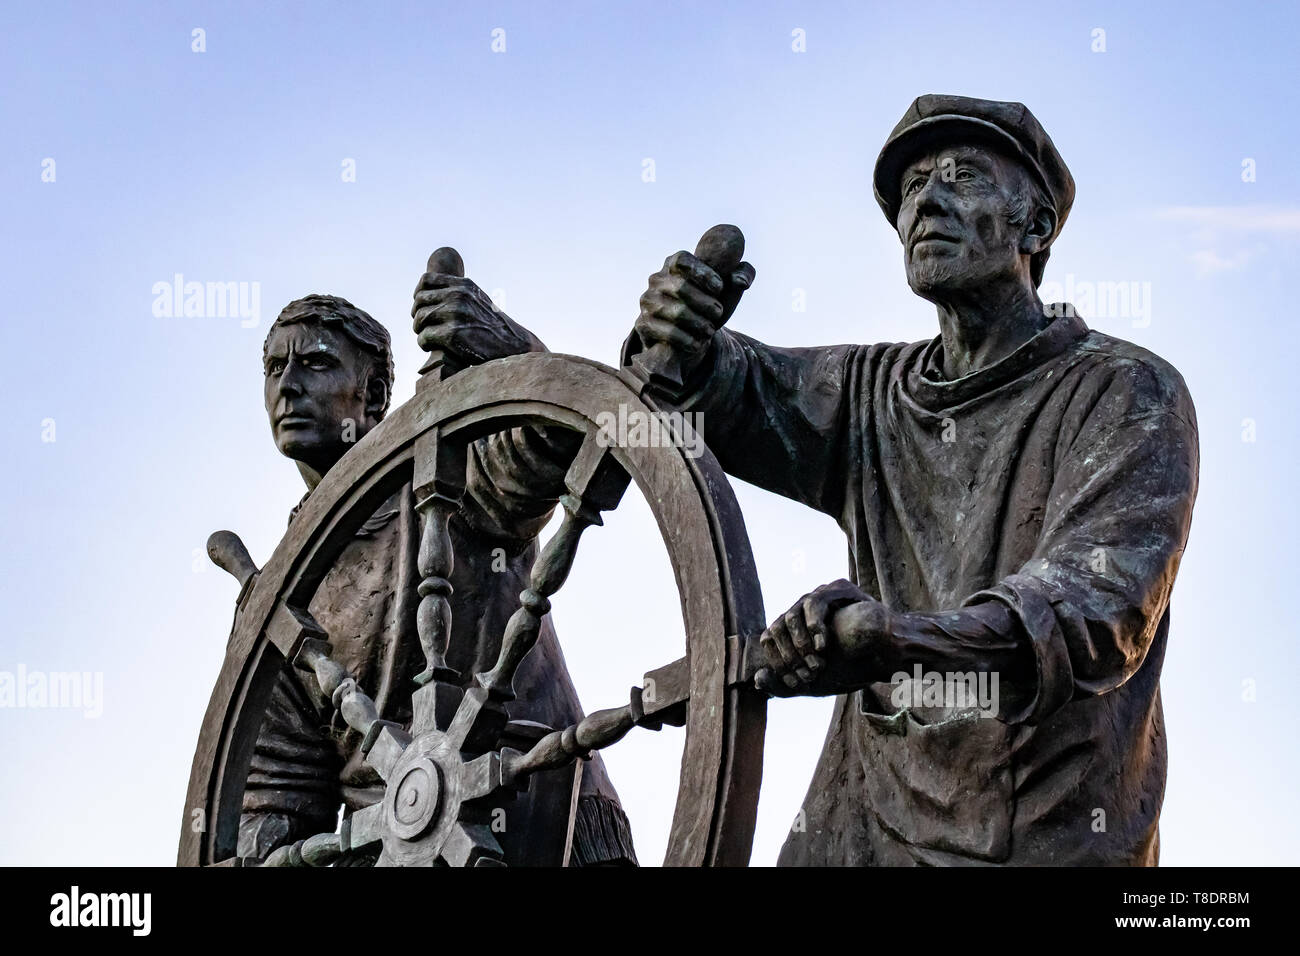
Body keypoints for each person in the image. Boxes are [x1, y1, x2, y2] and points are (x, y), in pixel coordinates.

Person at [623, 94, 1199, 865]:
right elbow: (725, 393)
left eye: (961, 177)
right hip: (858, 827)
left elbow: (1093, 612)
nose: (926, 200)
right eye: (912, 188)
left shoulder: (1126, 393)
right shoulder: (871, 391)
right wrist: (681, 335)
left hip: (1044, 834)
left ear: (1036, 228)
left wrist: (896, 640)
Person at [240, 283, 636, 866]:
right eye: (275, 367)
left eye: (316, 362)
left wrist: (506, 348)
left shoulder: (455, 480)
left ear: (373, 393)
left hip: (549, 817)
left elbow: (566, 438)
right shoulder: (279, 596)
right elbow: (274, 794)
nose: (288, 385)